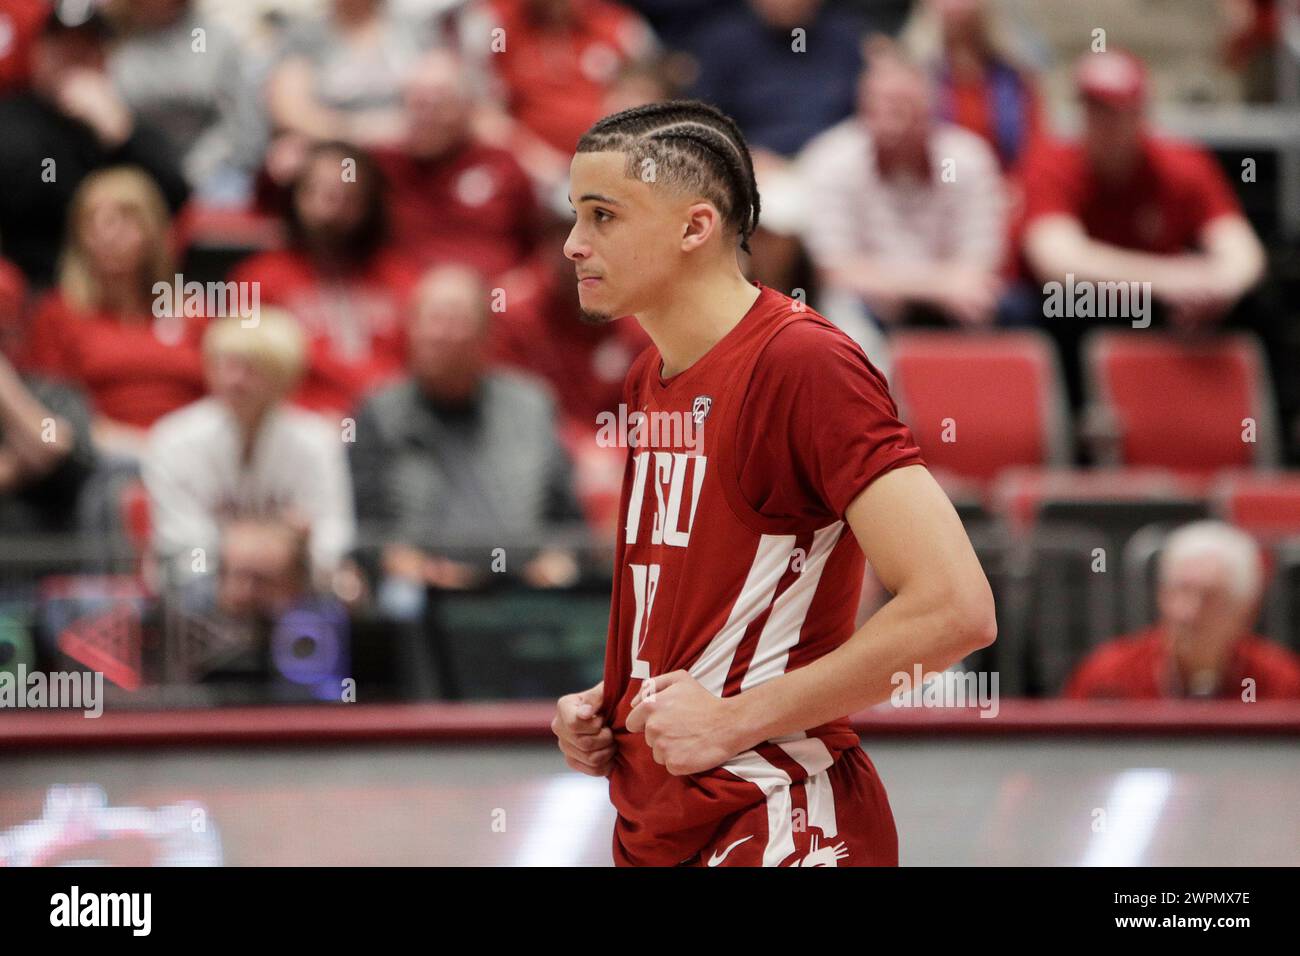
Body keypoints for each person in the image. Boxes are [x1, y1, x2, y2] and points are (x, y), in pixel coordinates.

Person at [551, 100, 996, 867]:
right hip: (659, 822)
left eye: (603, 217)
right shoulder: (647, 378)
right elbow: (715, 601)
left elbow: (956, 610)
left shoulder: (804, 364)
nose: (572, 245)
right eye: (574, 215)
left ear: (695, 228)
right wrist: (613, 697)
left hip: (785, 812)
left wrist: (733, 720)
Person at [1018, 49, 1266, 402]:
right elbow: (1057, 261)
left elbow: (1242, 251)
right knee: (1064, 303)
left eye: (1114, 111)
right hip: (1090, 307)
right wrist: (1169, 280)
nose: (1102, 122)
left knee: (1255, 306)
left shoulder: (1183, 163)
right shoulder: (1052, 161)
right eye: (1093, 109)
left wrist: (1216, 290)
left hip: (1165, 307)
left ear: (1141, 113)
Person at [348, 264, 583, 621]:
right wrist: (407, 565)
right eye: (433, 320)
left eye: (456, 320)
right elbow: (364, 529)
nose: (442, 335)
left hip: (523, 586)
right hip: (422, 588)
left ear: (487, 333)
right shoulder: (380, 412)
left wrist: (558, 560)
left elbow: (566, 520)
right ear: (410, 329)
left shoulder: (531, 406)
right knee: (400, 600)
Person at [797, 43, 1007, 338]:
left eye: (903, 106)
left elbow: (980, 267)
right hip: (869, 305)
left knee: (1008, 308)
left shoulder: (968, 159)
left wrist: (926, 287)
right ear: (861, 107)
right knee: (838, 310)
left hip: (955, 307)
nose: (891, 120)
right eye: (879, 106)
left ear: (932, 109)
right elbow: (833, 271)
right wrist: (940, 285)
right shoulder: (830, 159)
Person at [141, 310, 357, 593]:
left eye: (250, 368)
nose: (234, 380)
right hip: (203, 580)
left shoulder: (317, 440)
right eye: (225, 365)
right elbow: (178, 539)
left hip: (291, 581)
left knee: (347, 588)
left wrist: (289, 555)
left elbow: (334, 533)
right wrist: (248, 550)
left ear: (283, 376)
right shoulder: (173, 438)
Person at [21, 167, 206, 462]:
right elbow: (51, 411)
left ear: (153, 230)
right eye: (91, 223)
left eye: (123, 220)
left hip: (195, 455)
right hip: (101, 458)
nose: (106, 234)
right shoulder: (58, 312)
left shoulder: (195, 310)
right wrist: (133, 447)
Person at [0, 0, 189, 286]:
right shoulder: (12, 119)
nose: (74, 58)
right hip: (39, 286)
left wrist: (123, 136)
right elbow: (28, 199)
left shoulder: (122, 124)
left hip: (122, 293)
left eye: (86, 46)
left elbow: (175, 195)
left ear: (104, 56)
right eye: (63, 46)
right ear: (38, 53)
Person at [230, 141, 416, 418]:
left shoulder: (401, 278)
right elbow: (242, 368)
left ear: (368, 203)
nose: (330, 210)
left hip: (393, 420)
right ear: (296, 197)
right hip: (298, 423)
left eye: (347, 196)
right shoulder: (258, 279)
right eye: (318, 193)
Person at [1064, 521, 1300, 700]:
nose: (1188, 613)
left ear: (1246, 610)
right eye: (1180, 591)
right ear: (1160, 595)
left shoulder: (1283, 685)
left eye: (1209, 598)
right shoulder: (1107, 678)